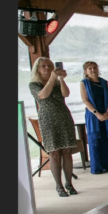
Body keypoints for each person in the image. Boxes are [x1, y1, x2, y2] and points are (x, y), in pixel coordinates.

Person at [29, 57, 79, 197]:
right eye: (43, 66)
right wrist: (52, 78)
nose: (47, 68)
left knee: (67, 152)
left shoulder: (56, 81)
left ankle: (69, 183)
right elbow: (43, 95)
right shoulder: (34, 84)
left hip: (63, 117)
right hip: (48, 119)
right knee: (54, 153)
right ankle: (59, 186)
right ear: (37, 69)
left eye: (49, 66)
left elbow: (66, 94)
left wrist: (61, 79)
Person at [78, 61, 108, 174]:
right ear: (86, 71)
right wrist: (97, 114)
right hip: (93, 114)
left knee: (107, 138)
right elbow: (85, 100)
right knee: (95, 140)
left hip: (106, 112)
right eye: (90, 68)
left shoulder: (104, 82)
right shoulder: (84, 83)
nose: (93, 70)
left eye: (94, 68)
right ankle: (98, 167)